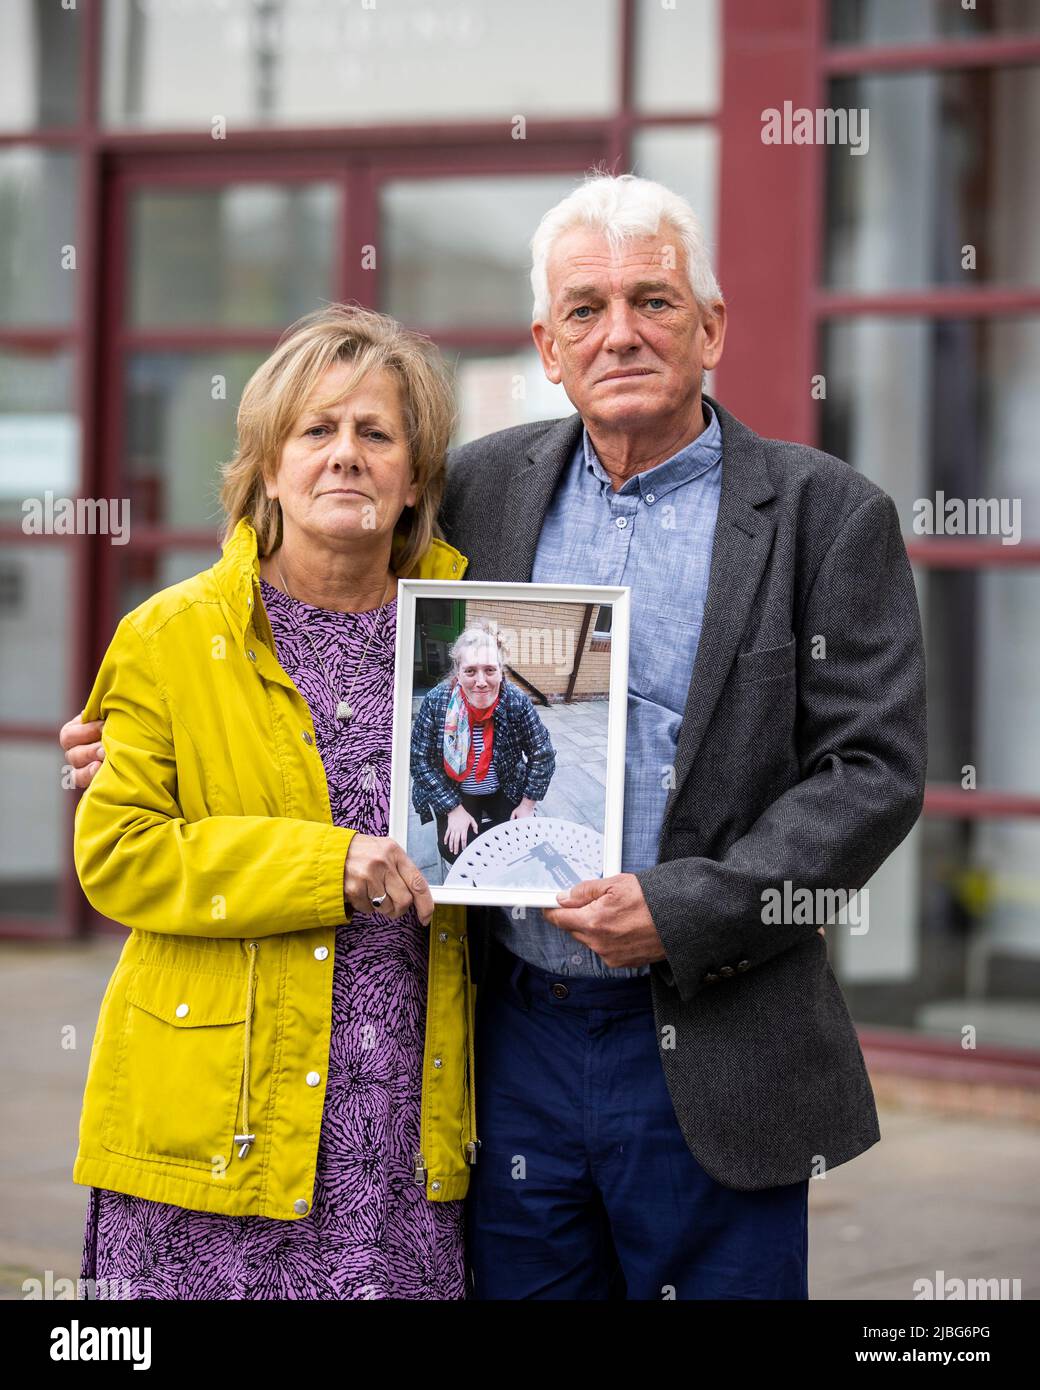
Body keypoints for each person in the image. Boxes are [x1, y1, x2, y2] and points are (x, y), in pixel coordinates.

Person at [62, 173, 928, 1301]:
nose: (618, 331)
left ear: (711, 326)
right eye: (584, 309)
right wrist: (135, 728)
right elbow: (313, 597)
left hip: (714, 1037)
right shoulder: (476, 491)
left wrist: (682, 908)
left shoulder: (826, 515)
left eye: (653, 301)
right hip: (506, 1042)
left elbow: (871, 773)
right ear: (545, 343)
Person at [68, 304, 476, 1299]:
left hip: (395, 1138)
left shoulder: (467, 635)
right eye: (316, 431)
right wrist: (323, 866)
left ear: (413, 476)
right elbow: (118, 856)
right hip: (214, 1132)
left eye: (375, 434)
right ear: (266, 467)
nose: (346, 455)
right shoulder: (171, 636)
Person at [410, 621, 556, 870]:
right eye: (470, 671)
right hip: (456, 790)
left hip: (504, 786)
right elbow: (419, 760)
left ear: (501, 670)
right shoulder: (436, 702)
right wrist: (452, 809)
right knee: (453, 848)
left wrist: (527, 805)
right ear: (458, 671)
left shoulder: (516, 702)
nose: (481, 681)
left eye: (489, 670)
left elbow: (542, 754)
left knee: (522, 842)